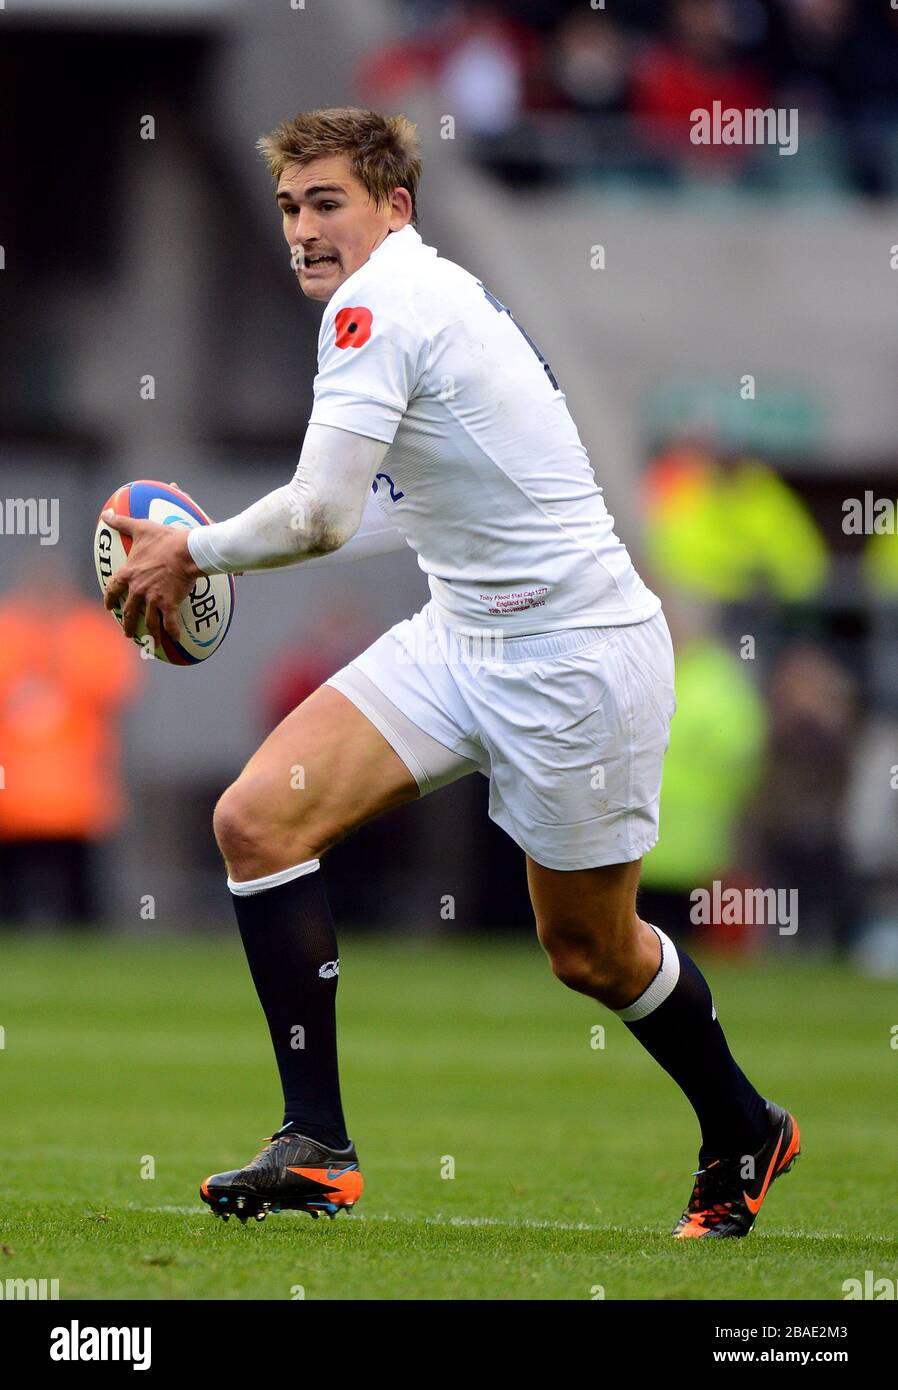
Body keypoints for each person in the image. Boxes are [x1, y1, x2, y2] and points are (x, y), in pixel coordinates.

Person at [102, 106, 799, 1238]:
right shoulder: (423, 295)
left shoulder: (385, 304)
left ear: (394, 208)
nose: (303, 230)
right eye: (288, 207)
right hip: (463, 634)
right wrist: (220, 541)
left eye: (327, 202)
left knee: (589, 951)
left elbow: (324, 515)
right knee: (256, 824)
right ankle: (316, 1143)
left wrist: (200, 547)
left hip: (574, 654)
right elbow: (392, 504)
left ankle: (741, 1122)